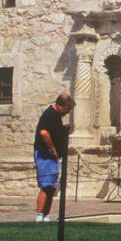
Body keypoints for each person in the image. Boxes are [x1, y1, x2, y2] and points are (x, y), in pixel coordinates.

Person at [33, 94, 75, 222]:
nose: (67, 113)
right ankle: (39, 215)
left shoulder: (56, 116)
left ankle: (46, 215)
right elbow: (44, 133)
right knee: (46, 185)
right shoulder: (50, 114)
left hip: (52, 156)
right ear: (61, 106)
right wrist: (52, 149)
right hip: (45, 154)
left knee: (51, 187)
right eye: (67, 110)